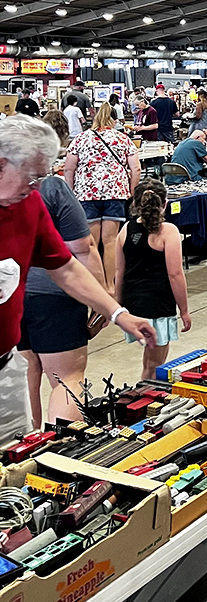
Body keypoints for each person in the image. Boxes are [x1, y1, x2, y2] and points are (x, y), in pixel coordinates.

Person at [0, 116, 156, 441]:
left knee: (13, 454)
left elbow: (67, 267)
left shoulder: (29, 204)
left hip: (6, 361)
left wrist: (118, 312)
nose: (37, 187)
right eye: (32, 176)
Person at [19, 176, 107, 426]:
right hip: (54, 294)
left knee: (23, 379)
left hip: (9, 295)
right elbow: (84, 247)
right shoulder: (50, 186)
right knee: (66, 378)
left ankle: (24, 454)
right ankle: (60, 452)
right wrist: (100, 302)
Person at [115, 179, 191, 379]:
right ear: (165, 204)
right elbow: (175, 275)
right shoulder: (168, 231)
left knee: (150, 359)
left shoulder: (125, 230)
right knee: (154, 365)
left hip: (133, 303)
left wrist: (117, 308)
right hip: (157, 305)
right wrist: (184, 310)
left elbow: (119, 272)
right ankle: (145, 400)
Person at [63, 102, 141, 289]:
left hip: (87, 195)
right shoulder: (123, 139)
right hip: (115, 194)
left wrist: (71, 193)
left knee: (90, 244)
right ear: (114, 120)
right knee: (110, 242)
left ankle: (93, 287)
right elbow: (136, 168)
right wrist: (130, 191)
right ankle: (110, 286)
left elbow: (68, 168)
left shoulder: (81, 139)